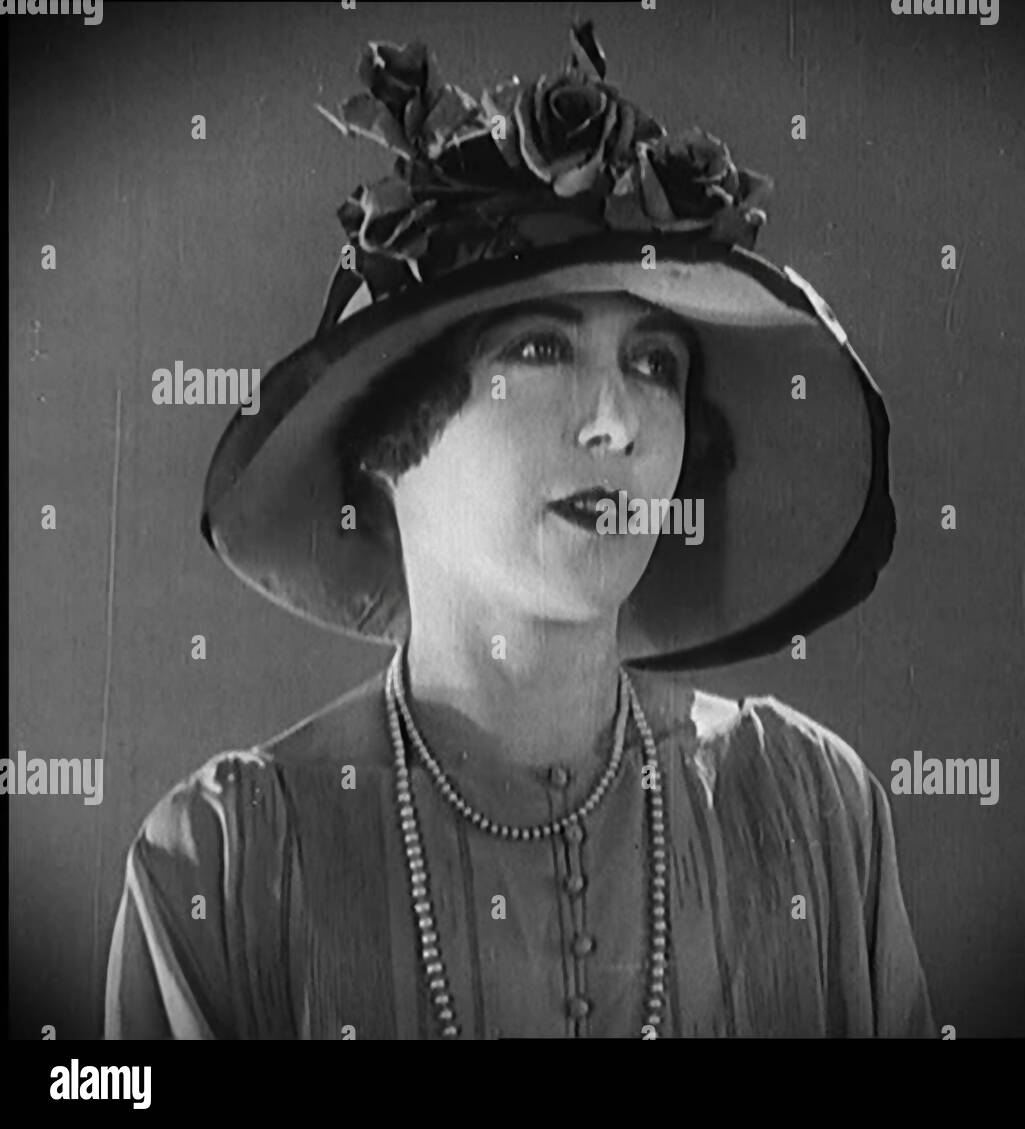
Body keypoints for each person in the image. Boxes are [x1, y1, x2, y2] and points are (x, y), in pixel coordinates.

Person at [104, 20, 935, 1040]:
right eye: (539, 350)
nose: (616, 422)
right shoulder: (222, 864)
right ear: (386, 436)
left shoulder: (810, 810)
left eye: (655, 365)